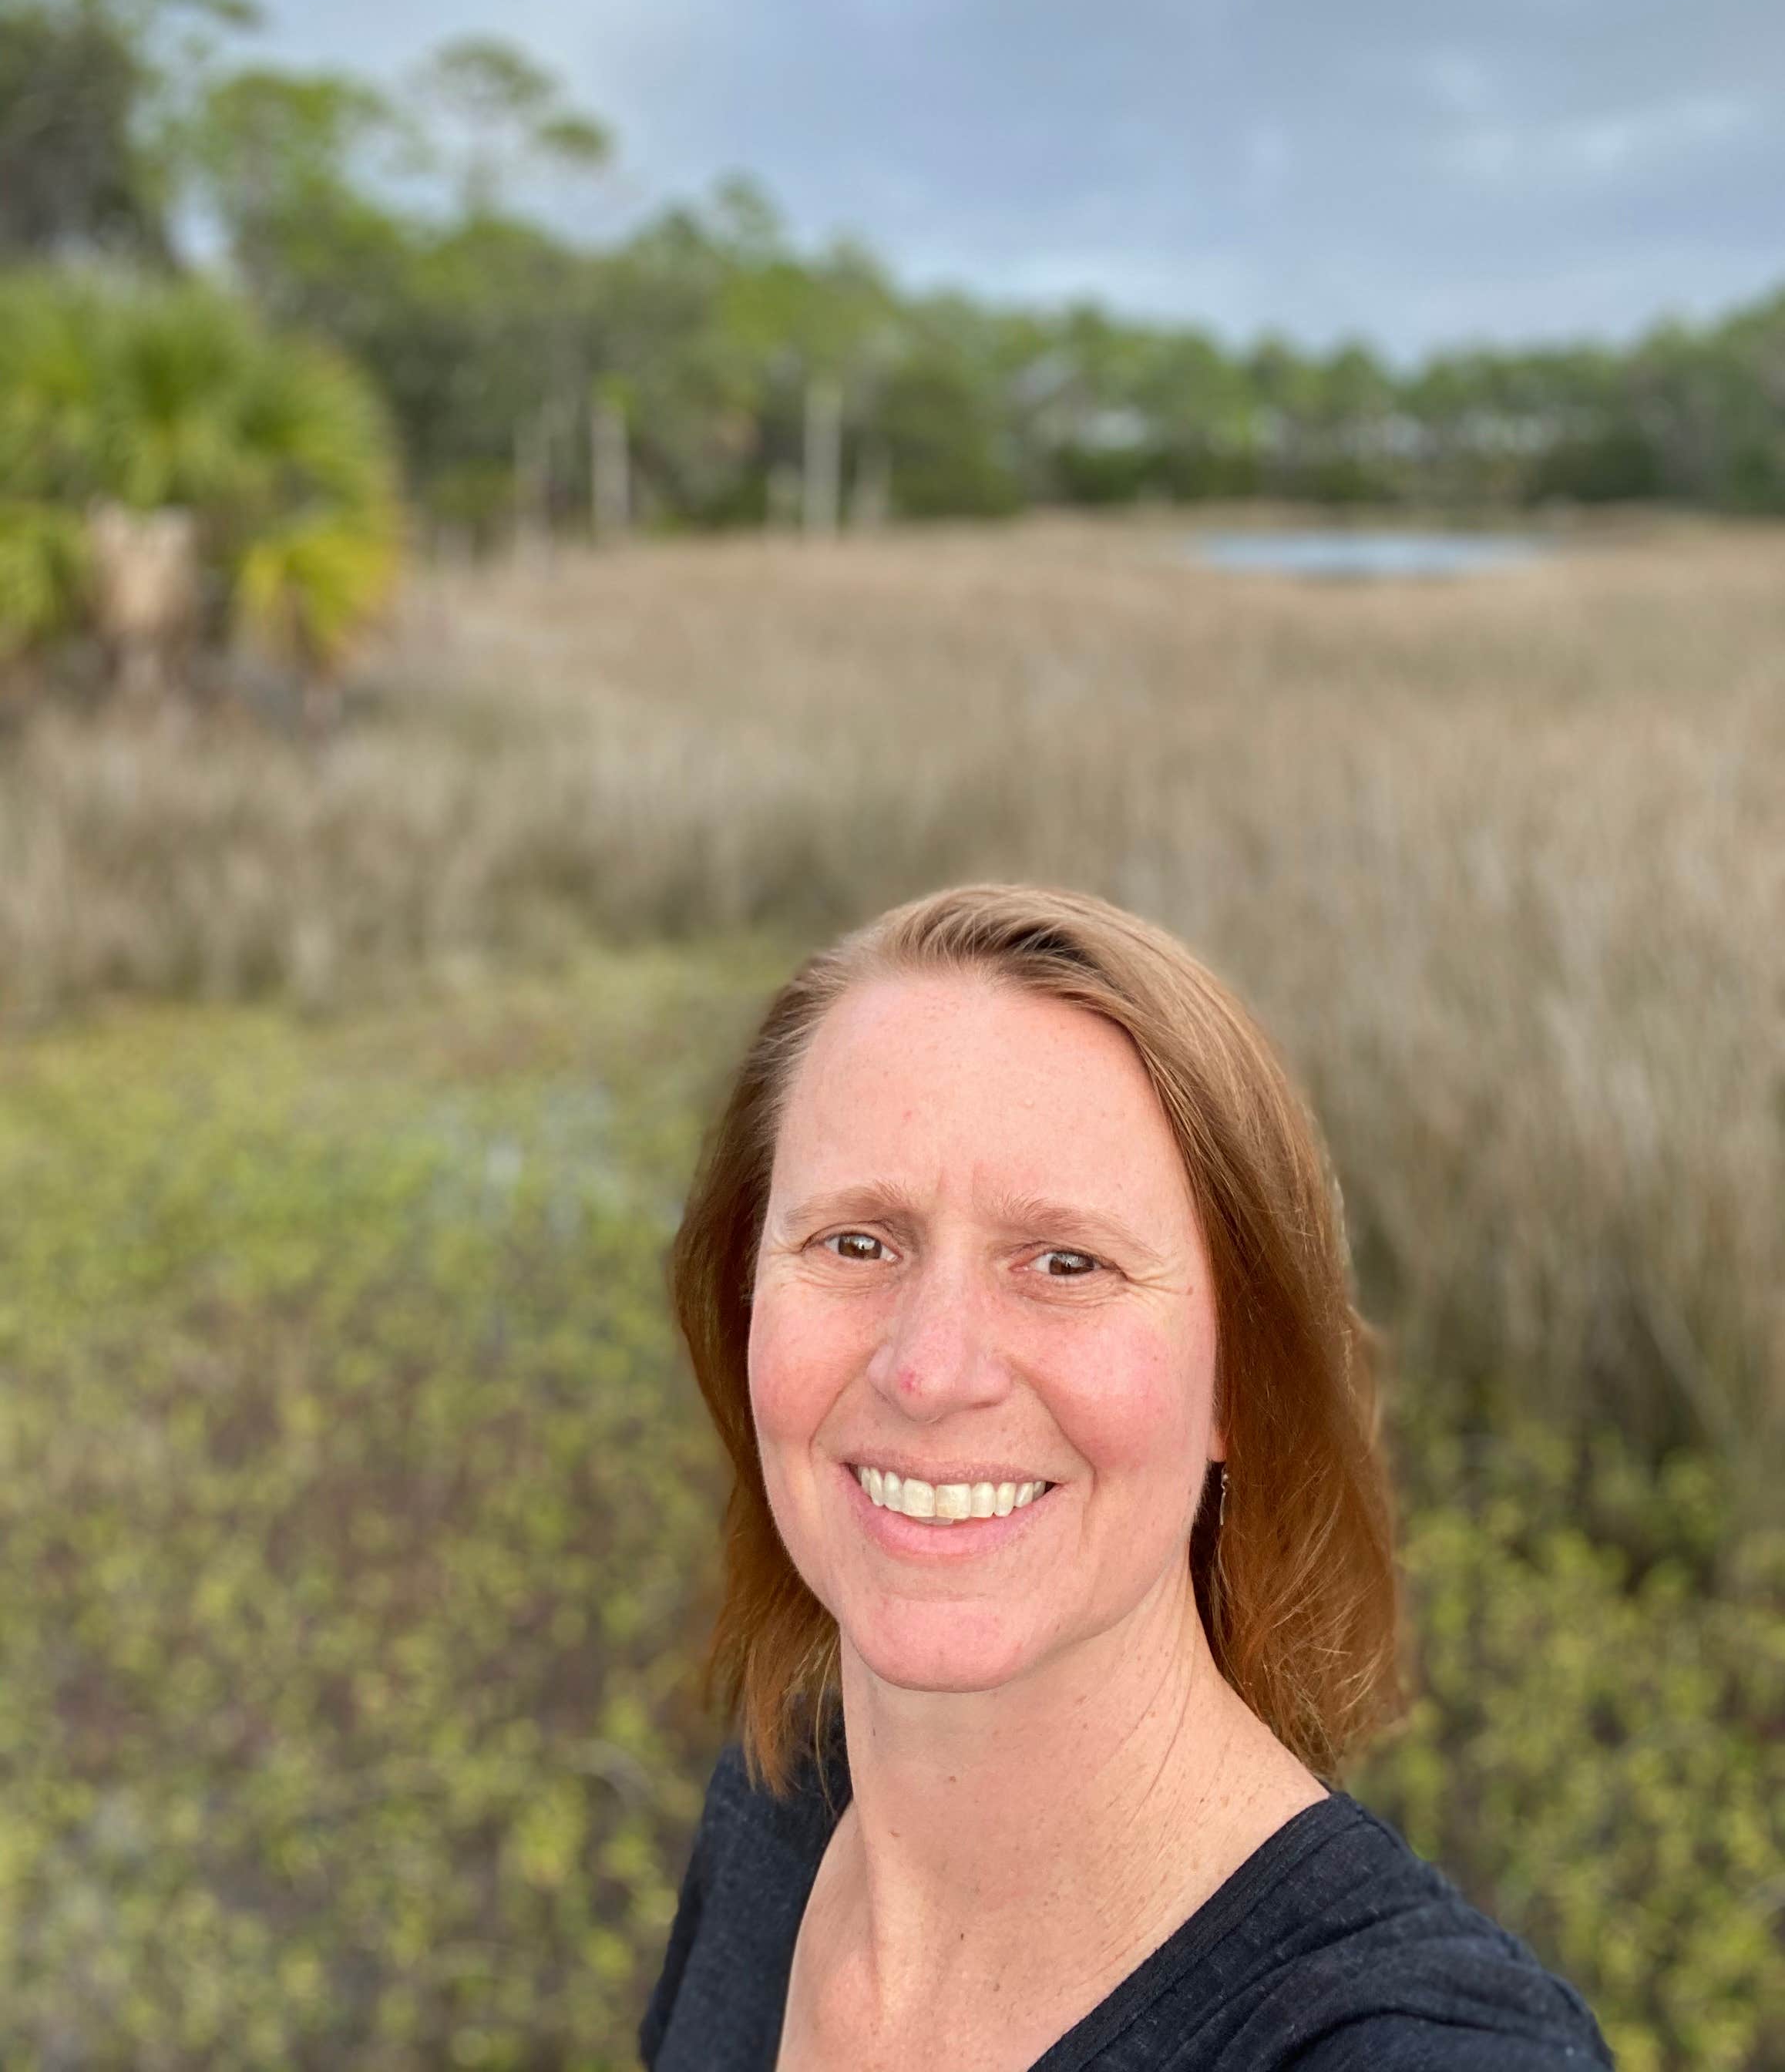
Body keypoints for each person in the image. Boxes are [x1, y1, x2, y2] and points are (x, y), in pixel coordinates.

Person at [640, 883, 1615, 2071]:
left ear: (1240, 1387)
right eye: (856, 1243)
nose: (930, 1369)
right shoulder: (782, 1790)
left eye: (1065, 1262)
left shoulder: (1401, 2047)